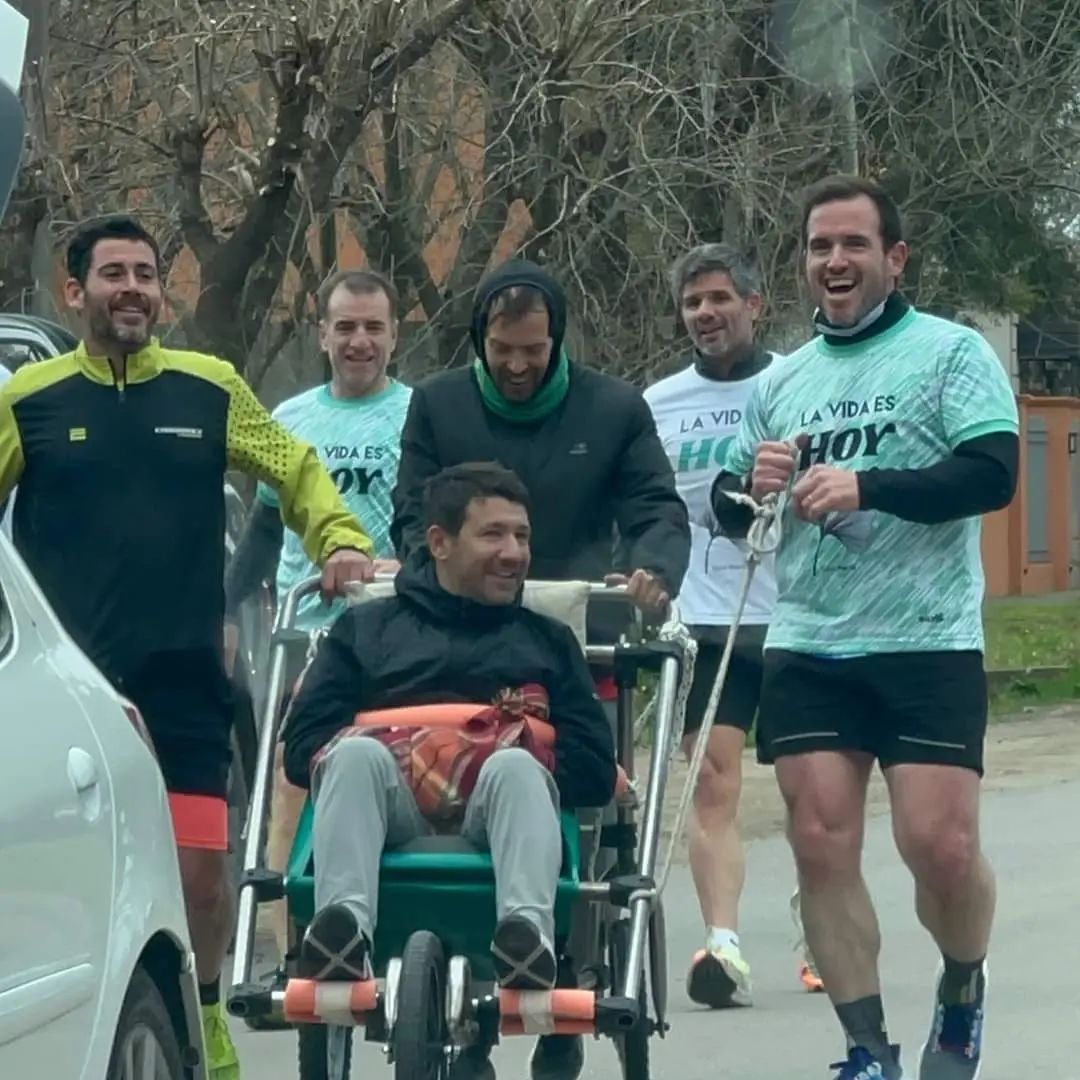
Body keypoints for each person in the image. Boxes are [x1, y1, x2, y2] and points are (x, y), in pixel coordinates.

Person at [0, 214, 378, 1080]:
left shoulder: (209, 387)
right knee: (84, 876)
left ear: (161, 292)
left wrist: (339, 539)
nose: (131, 289)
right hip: (73, 692)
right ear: (74, 291)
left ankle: (203, 1015)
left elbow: (294, 463)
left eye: (145, 274)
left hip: (182, 680)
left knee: (202, 877)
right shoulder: (30, 400)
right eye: (112, 274)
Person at [710, 176, 1018, 1080]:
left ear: (894, 257)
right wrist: (751, 490)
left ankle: (962, 989)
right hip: (810, 642)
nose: (834, 262)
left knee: (941, 847)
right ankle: (866, 1049)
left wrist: (868, 485)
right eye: (818, 247)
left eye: (852, 245)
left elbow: (992, 476)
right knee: (818, 839)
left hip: (927, 639)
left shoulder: (951, 355)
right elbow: (732, 511)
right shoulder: (783, 383)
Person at [389, 258, 690, 1079]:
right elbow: (413, 516)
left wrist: (653, 570)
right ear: (478, 341)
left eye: (533, 349)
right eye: (502, 349)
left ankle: (562, 988)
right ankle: (459, 1008)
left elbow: (656, 506)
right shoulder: (439, 405)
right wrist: (425, 581)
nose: (518, 366)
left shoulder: (614, 410)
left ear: (556, 339)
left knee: (583, 821)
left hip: (575, 634)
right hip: (460, 632)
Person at [283, 461, 617, 1080]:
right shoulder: (366, 629)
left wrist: (491, 744)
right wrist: (415, 743)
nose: (514, 553)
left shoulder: (545, 642)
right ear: (439, 542)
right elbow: (302, 746)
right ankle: (342, 936)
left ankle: (526, 940)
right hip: (393, 810)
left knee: (517, 766)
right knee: (350, 754)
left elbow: (595, 771)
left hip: (498, 813)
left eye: (521, 536)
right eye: (493, 535)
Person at [645, 242, 826, 1007]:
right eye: (693, 303)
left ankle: (822, 931)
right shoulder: (657, 403)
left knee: (810, 793)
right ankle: (722, 943)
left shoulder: (801, 383)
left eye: (721, 299)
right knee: (711, 779)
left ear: (754, 304)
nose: (707, 314)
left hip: (797, 619)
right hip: (706, 624)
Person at [224, 267, 411, 640]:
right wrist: (225, 611)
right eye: (345, 327)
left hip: (391, 628)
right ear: (323, 335)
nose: (360, 341)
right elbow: (266, 528)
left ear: (394, 335)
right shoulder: (288, 417)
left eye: (373, 328)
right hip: (301, 631)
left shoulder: (421, 416)